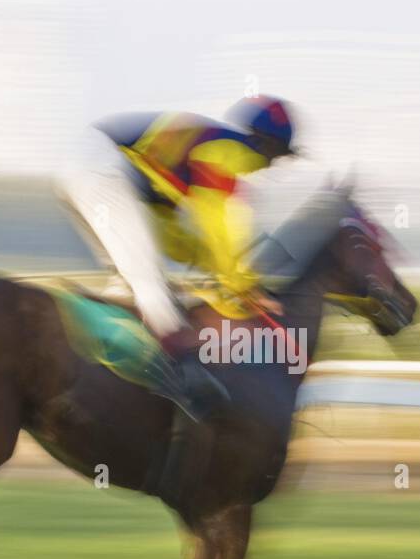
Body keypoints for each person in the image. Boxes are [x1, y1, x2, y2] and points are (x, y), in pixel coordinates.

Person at [60, 95, 298, 420]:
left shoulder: (186, 160)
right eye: (278, 154)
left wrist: (214, 269)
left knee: (134, 284)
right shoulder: (228, 152)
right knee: (150, 283)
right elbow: (219, 224)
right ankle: (186, 378)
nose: (275, 164)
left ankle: (106, 376)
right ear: (264, 142)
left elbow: (170, 235)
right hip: (100, 168)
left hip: (92, 166)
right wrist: (244, 285)